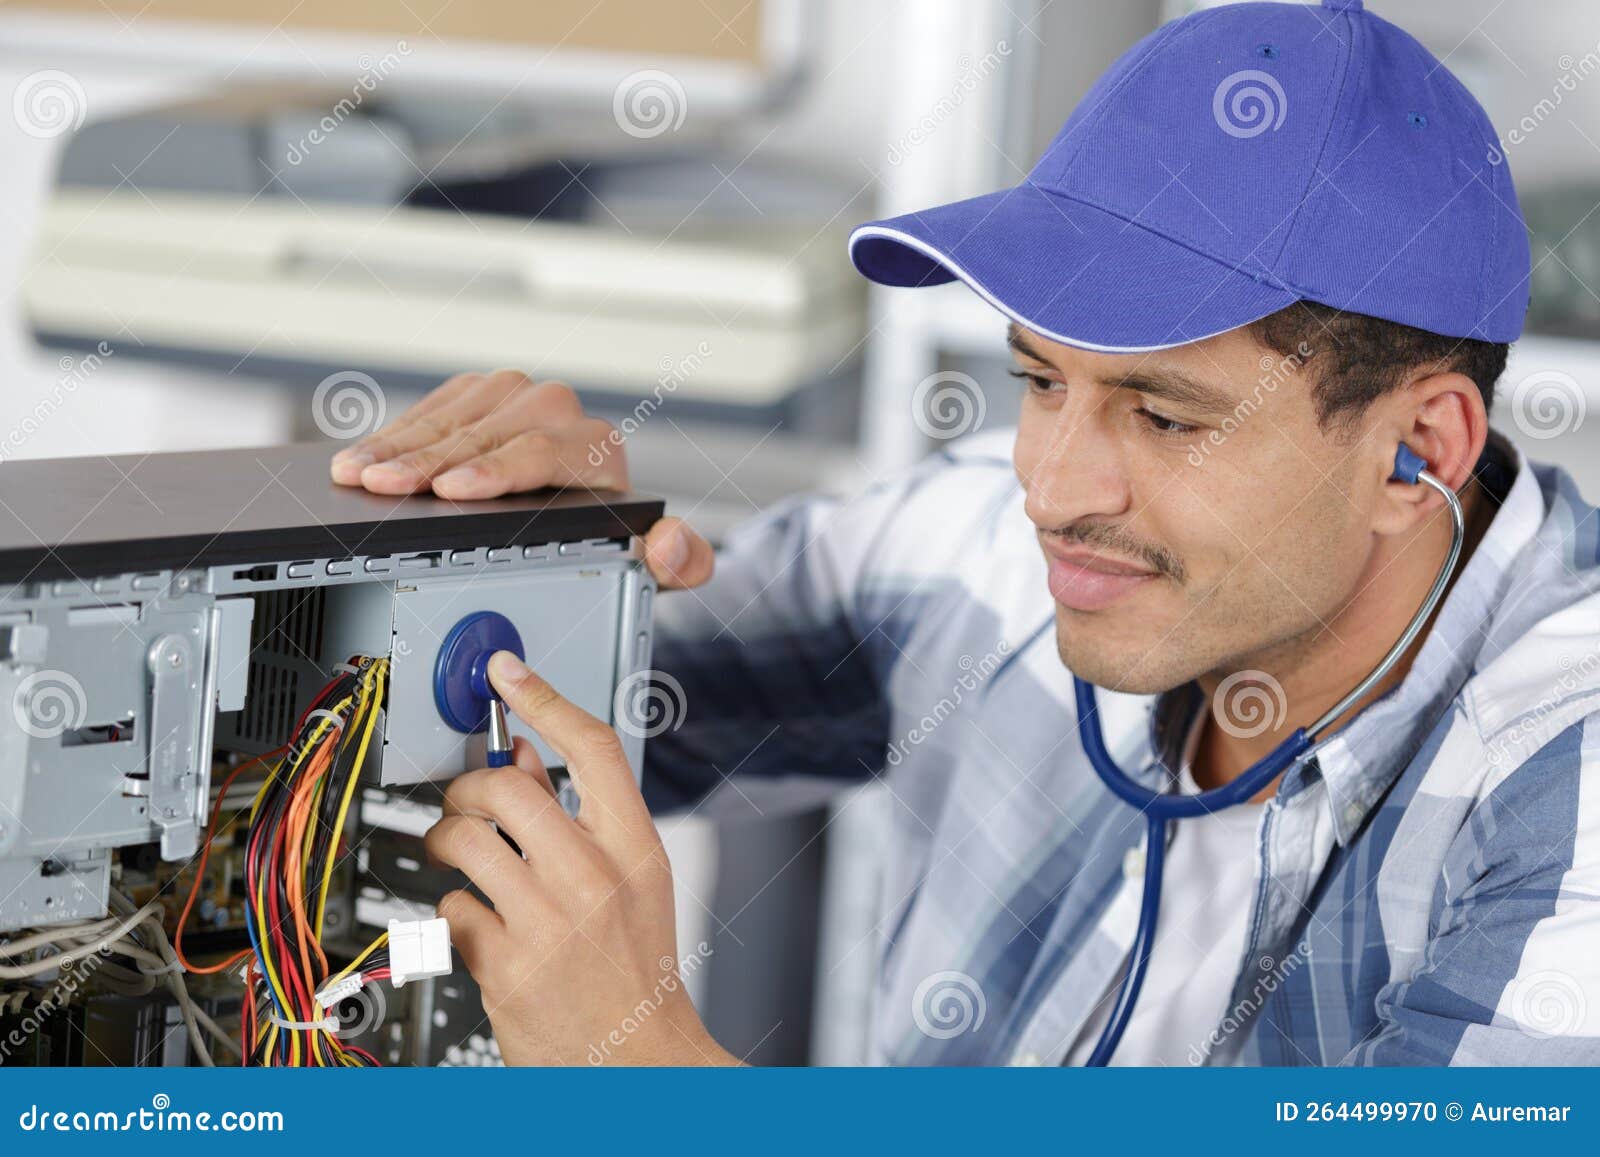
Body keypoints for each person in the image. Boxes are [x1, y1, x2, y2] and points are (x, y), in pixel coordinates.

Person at [330, 0, 1600, 1065]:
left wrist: (653, 1073)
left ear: (1417, 449)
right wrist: (536, 552)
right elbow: (539, 712)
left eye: (1163, 416)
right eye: (1040, 381)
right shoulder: (983, 541)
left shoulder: (1566, 785)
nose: (1051, 487)